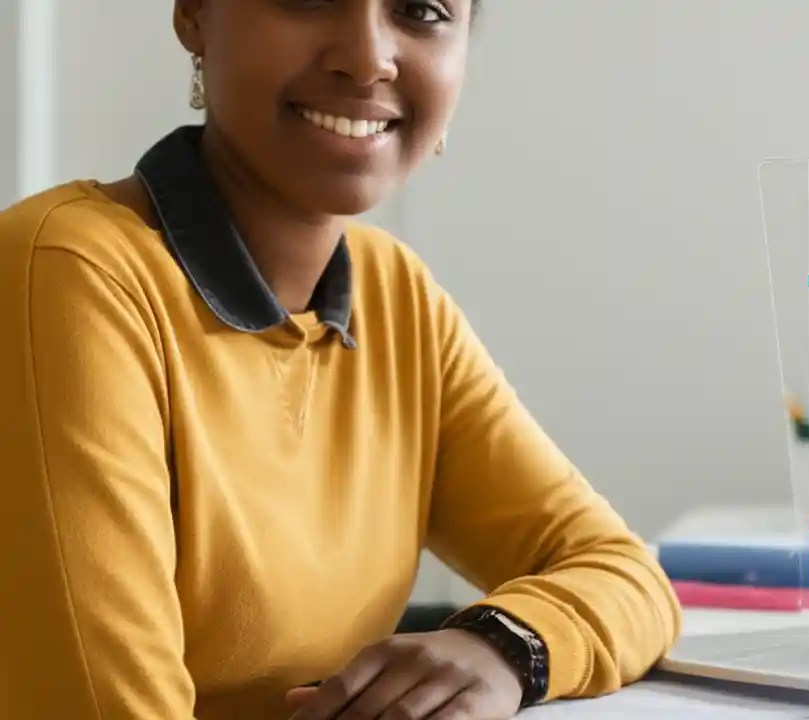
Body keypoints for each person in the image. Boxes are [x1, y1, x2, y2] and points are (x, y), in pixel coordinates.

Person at [0, 1, 681, 718]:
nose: (367, 58)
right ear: (195, 14)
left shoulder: (394, 298)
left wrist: (504, 646)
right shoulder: (63, 274)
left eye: (422, 10)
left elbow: (622, 573)